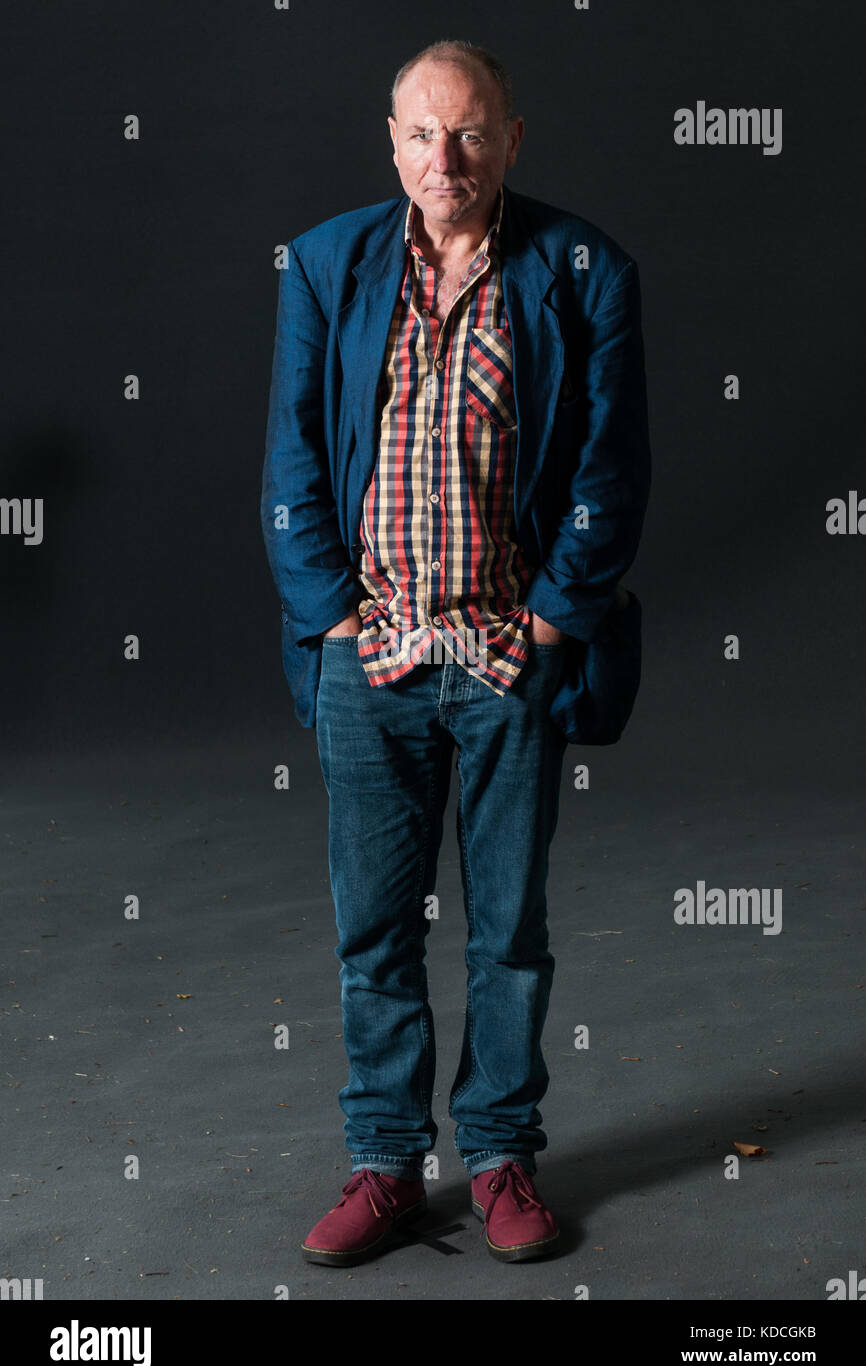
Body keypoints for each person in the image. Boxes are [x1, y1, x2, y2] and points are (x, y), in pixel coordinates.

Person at [260, 38, 651, 1267]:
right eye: (423, 134)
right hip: (366, 660)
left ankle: (498, 1157)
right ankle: (384, 1164)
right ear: (390, 141)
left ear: (512, 139)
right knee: (371, 928)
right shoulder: (326, 264)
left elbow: (610, 465)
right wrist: (330, 618)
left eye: (471, 133)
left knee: (508, 930)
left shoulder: (584, 271)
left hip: (505, 658)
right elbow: (291, 459)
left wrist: (545, 625)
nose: (446, 159)